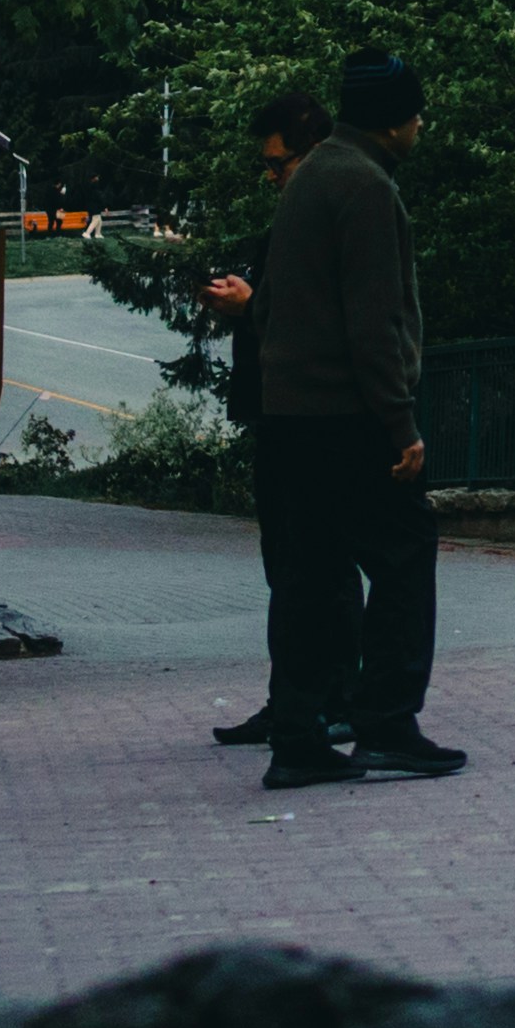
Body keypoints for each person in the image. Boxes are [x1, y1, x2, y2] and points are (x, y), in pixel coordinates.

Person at [241, 50, 458, 786]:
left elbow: (267, 306)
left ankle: (297, 736)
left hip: (290, 417)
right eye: (416, 113)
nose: (422, 124)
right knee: (405, 551)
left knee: (308, 576)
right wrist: (401, 424)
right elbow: (374, 322)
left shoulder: (306, 186)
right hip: (349, 415)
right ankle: (388, 720)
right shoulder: (366, 188)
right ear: (394, 121)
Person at [193, 86, 335, 750]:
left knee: (314, 567)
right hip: (275, 413)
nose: (275, 177)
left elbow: (315, 325)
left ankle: (321, 702)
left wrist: (249, 306)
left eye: (280, 163)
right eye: (269, 166)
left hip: (308, 418)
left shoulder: (331, 219)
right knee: (285, 564)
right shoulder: (289, 222)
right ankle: (293, 700)